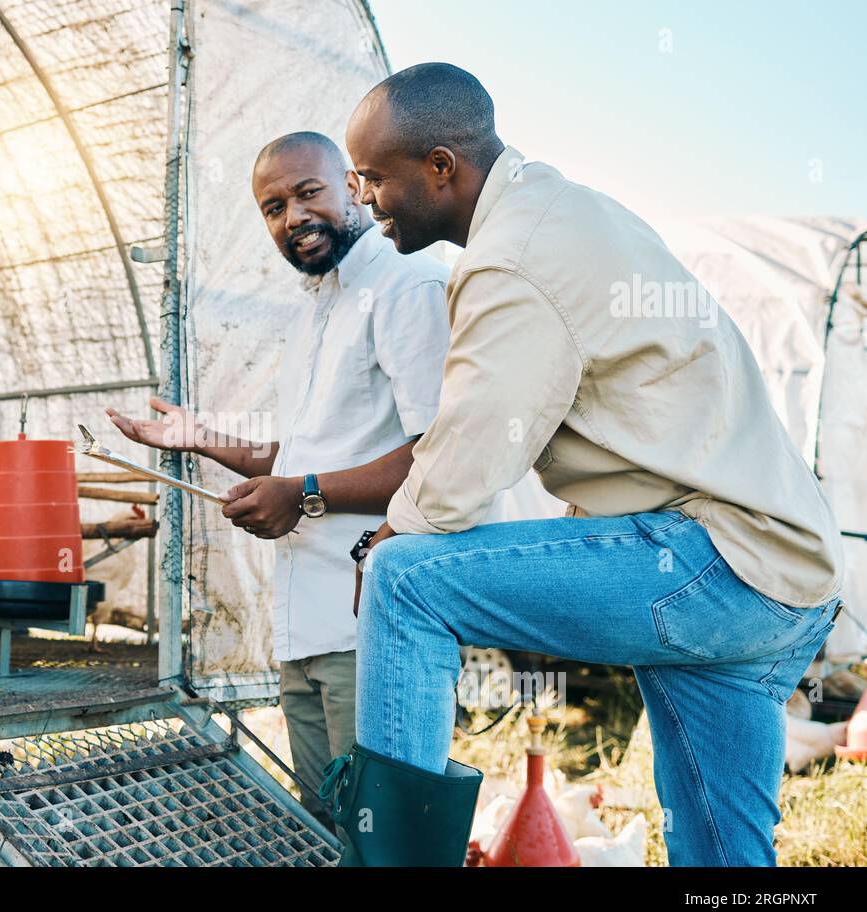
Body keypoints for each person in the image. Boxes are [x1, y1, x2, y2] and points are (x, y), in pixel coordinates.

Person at [321, 62, 844, 867]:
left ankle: (389, 859)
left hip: (712, 563)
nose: (360, 198)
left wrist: (389, 534)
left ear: (440, 167)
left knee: (403, 578)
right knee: (722, 856)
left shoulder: (512, 258)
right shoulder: (568, 209)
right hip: (781, 573)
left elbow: (467, 460)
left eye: (371, 178)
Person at [106, 131, 452, 836]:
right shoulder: (315, 308)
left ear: (354, 187)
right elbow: (299, 456)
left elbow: (440, 460)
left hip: (375, 620)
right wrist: (198, 437)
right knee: (325, 825)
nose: (291, 216)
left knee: (383, 835)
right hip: (306, 623)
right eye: (271, 207)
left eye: (307, 193)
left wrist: (304, 496)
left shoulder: (406, 287)